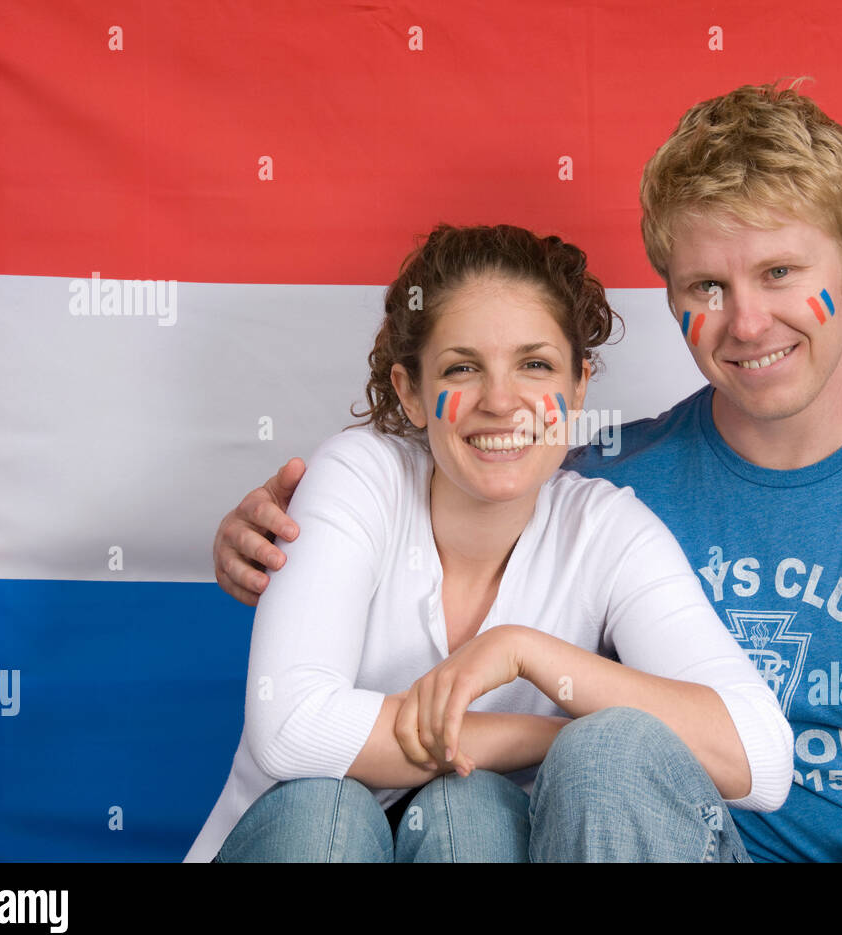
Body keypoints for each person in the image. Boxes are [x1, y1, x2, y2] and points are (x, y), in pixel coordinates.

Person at [214, 81, 842, 862]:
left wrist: (529, 658)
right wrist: (275, 534)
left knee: (600, 748)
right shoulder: (601, 477)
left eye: (782, 272)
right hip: (638, 840)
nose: (746, 322)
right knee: (588, 761)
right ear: (672, 295)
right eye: (706, 288)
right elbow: (468, 472)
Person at [186, 223, 793, 863]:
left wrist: (523, 652)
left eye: (535, 365)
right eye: (462, 367)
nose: (502, 402)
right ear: (410, 393)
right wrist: (546, 735)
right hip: (305, 845)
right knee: (326, 809)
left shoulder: (608, 531)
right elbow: (290, 730)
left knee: (470, 810)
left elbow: (762, 758)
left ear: (578, 387)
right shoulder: (360, 475)